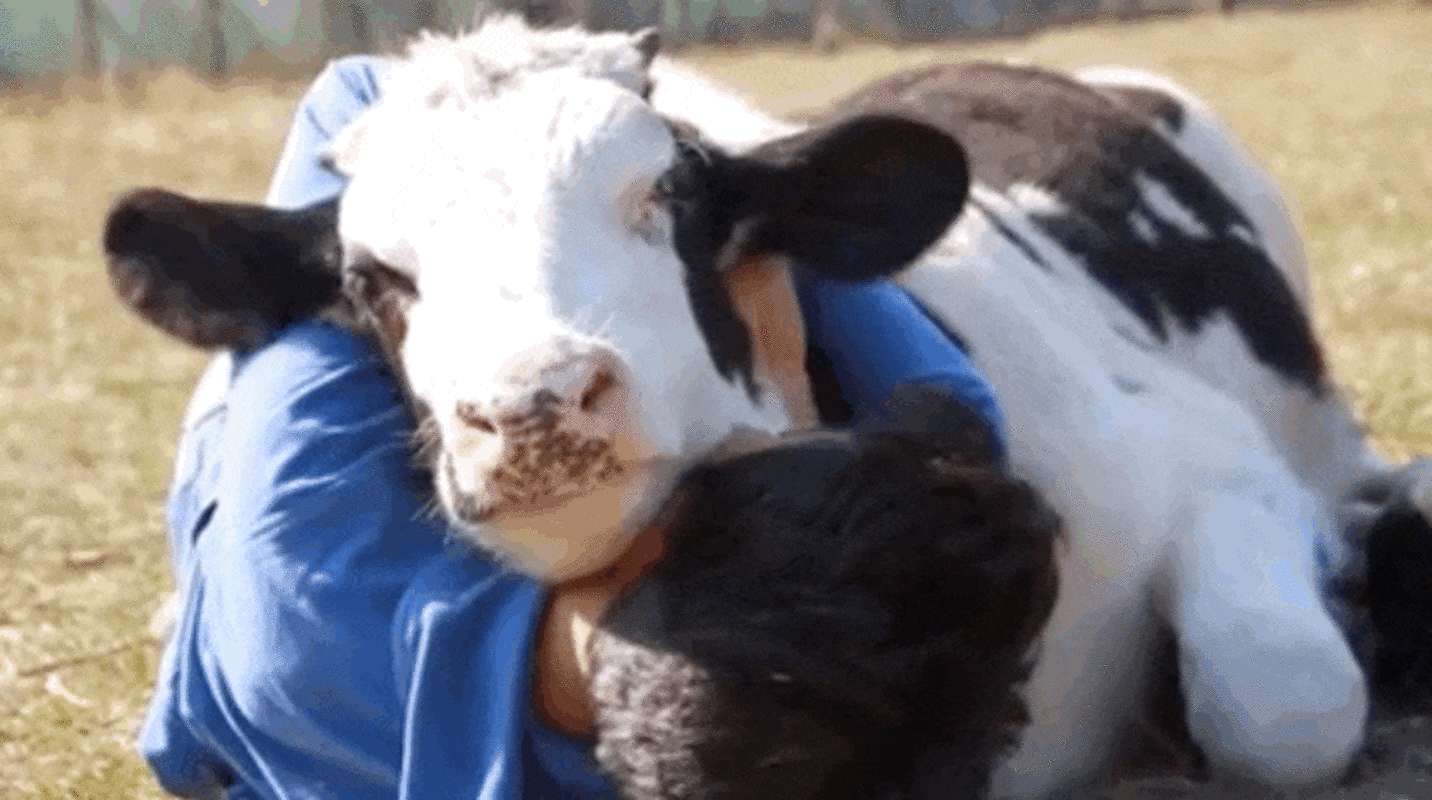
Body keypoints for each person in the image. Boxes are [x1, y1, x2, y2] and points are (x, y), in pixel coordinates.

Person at [139, 53, 1004, 800]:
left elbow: (354, 98)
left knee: (363, 200)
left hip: (266, 605)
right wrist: (777, 354)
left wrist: (775, 338)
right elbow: (963, 426)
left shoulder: (298, 590)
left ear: (661, 545)